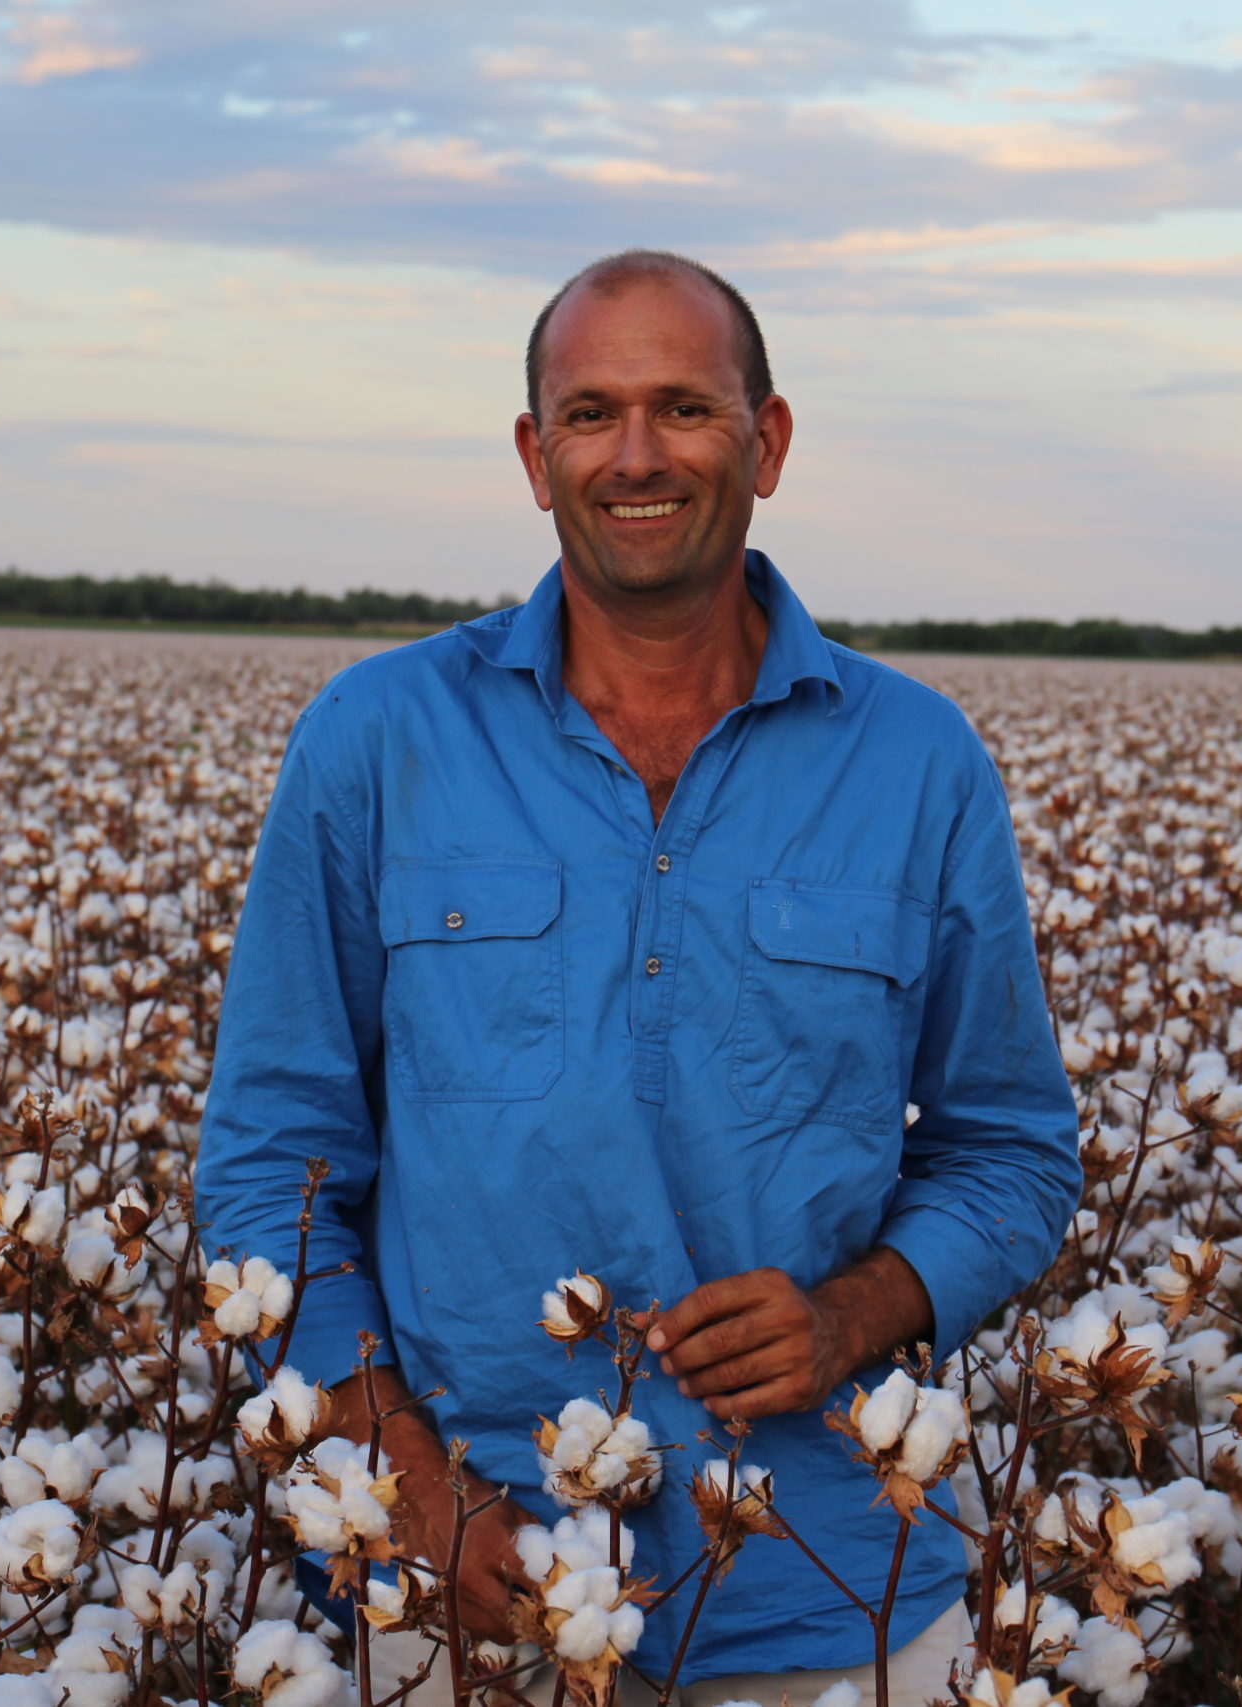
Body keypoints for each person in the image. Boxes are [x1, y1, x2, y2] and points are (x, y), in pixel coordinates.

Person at [194, 250, 1081, 1706]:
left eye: (685, 407)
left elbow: (1013, 1151)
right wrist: (411, 1479)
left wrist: (854, 1316)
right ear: (535, 458)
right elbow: (269, 1163)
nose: (637, 456)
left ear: (767, 443)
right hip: (463, 1578)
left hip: (828, 1585)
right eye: (592, 414)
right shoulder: (378, 738)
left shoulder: (919, 763)